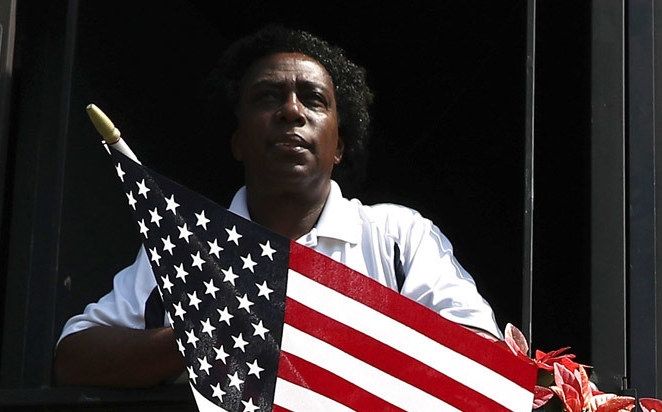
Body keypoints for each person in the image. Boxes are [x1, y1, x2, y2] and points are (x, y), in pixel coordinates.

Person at [54, 25, 499, 388]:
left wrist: (328, 332)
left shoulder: (398, 237)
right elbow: (74, 358)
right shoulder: (186, 244)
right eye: (268, 97)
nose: (291, 111)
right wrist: (211, 335)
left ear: (339, 145)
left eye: (313, 99)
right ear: (237, 141)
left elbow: (484, 355)